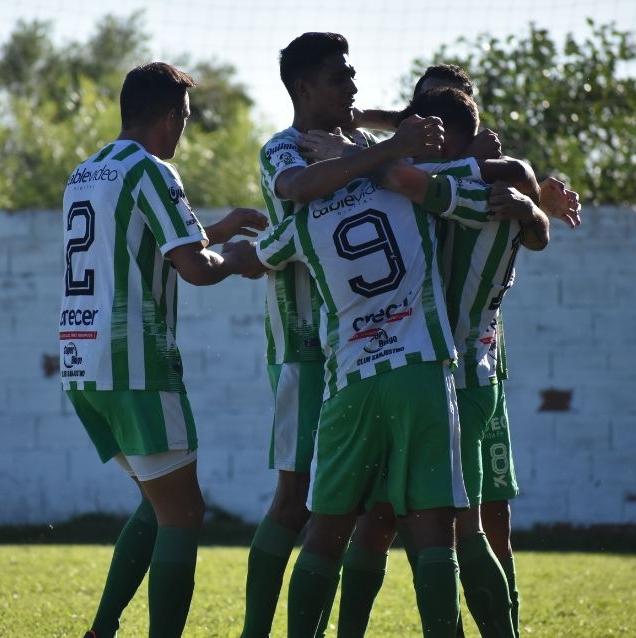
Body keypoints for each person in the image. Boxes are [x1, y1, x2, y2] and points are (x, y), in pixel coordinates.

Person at [226, 145, 535, 636]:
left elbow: (250, 259)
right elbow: (503, 195)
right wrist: (532, 205)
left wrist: (219, 250)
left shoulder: (305, 223)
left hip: (350, 381)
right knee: (438, 533)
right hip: (422, 372)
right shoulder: (406, 189)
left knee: (326, 533)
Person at [240, 32, 444, 638]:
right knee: (298, 498)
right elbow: (302, 189)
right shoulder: (284, 147)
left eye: (353, 75)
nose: (352, 85)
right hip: (308, 345)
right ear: (303, 88)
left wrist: (382, 132)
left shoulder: (359, 143)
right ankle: (255, 631)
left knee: (375, 507)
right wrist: (387, 151)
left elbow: (431, 125)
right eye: (339, 77)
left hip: (365, 352)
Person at [58, 61, 266, 638]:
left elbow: (144, 243)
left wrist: (218, 231)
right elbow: (195, 271)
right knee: (183, 512)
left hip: (82, 362)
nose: (183, 132)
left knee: (158, 504)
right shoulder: (152, 171)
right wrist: (241, 260)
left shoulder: (88, 171)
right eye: (185, 119)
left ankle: (101, 631)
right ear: (170, 116)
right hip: (136, 362)